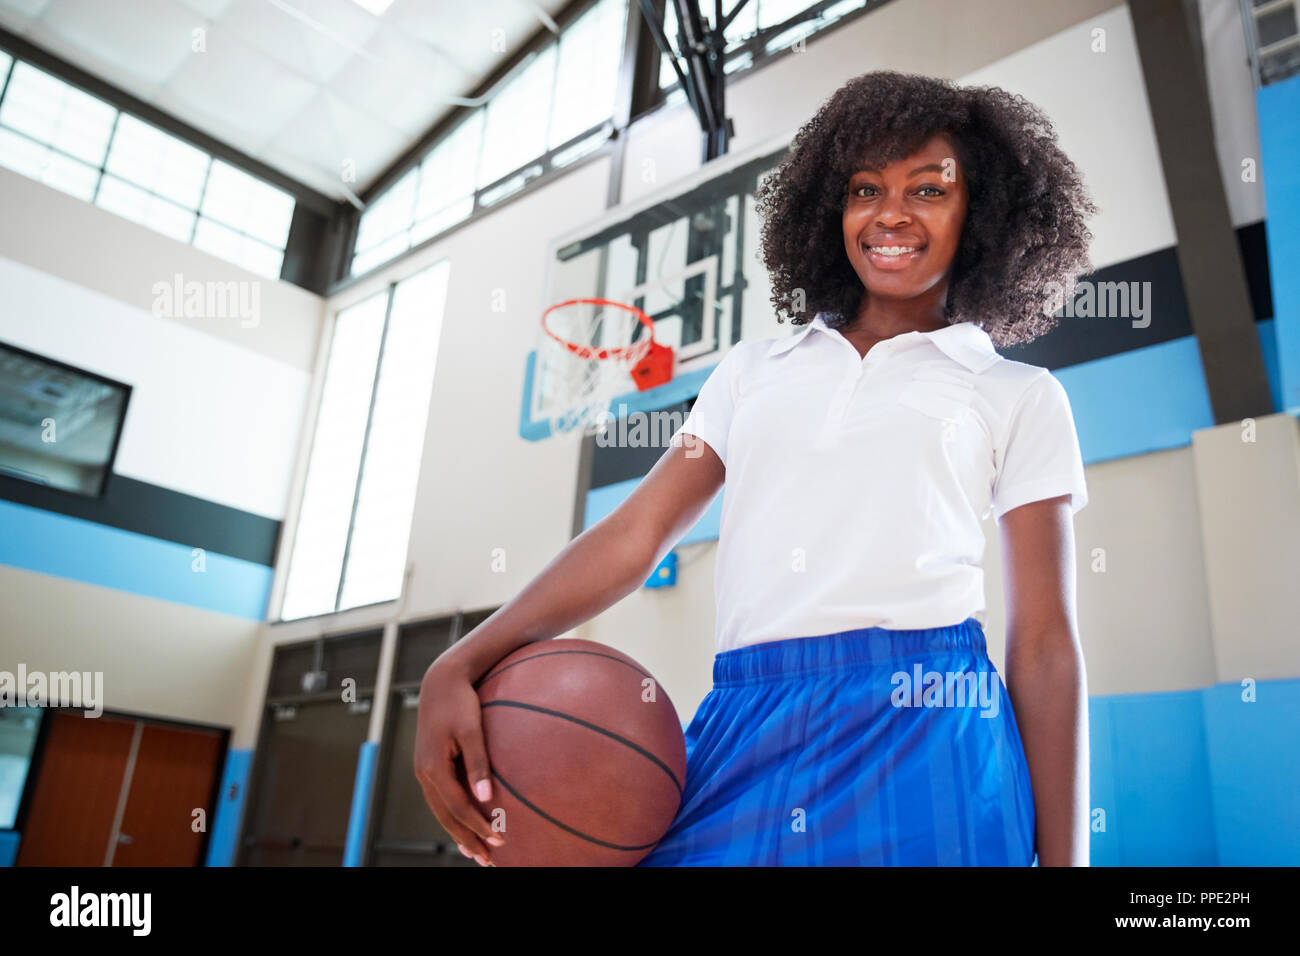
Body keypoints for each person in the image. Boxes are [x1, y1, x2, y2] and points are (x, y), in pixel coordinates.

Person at [415, 70, 1097, 867]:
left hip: (930, 720)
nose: (891, 214)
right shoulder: (753, 371)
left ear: (980, 213)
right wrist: (462, 659)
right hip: (749, 714)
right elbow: (637, 536)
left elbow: (1045, 643)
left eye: (930, 190)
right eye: (865, 188)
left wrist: (1067, 860)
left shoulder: (1017, 394)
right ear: (830, 209)